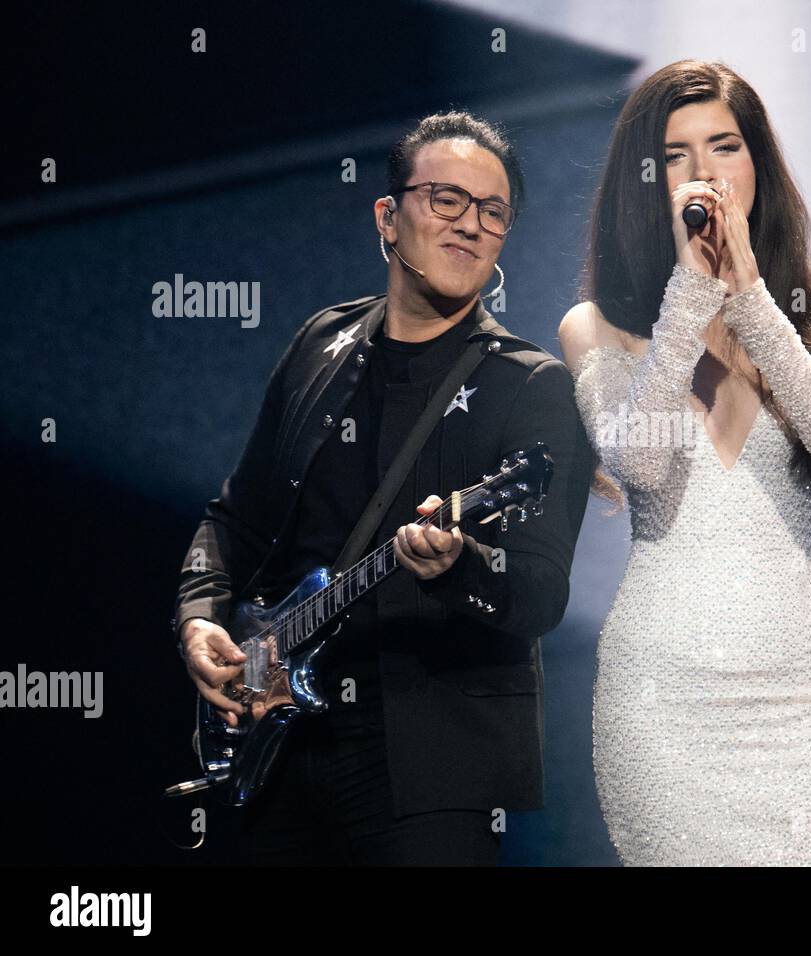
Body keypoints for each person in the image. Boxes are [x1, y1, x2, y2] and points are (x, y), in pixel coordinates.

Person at [172, 111, 594, 865]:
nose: (470, 225)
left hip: (431, 767)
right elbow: (234, 519)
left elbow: (541, 594)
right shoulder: (319, 346)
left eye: (493, 212)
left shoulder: (529, 387)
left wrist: (459, 566)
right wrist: (200, 617)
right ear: (388, 217)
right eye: (446, 200)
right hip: (283, 748)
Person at [558, 61, 811, 865]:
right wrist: (692, 297)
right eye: (675, 155)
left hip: (800, 700)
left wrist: (750, 301)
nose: (704, 172)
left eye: (725, 145)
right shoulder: (599, 327)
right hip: (663, 705)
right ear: (647, 179)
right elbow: (638, 461)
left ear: (759, 164)